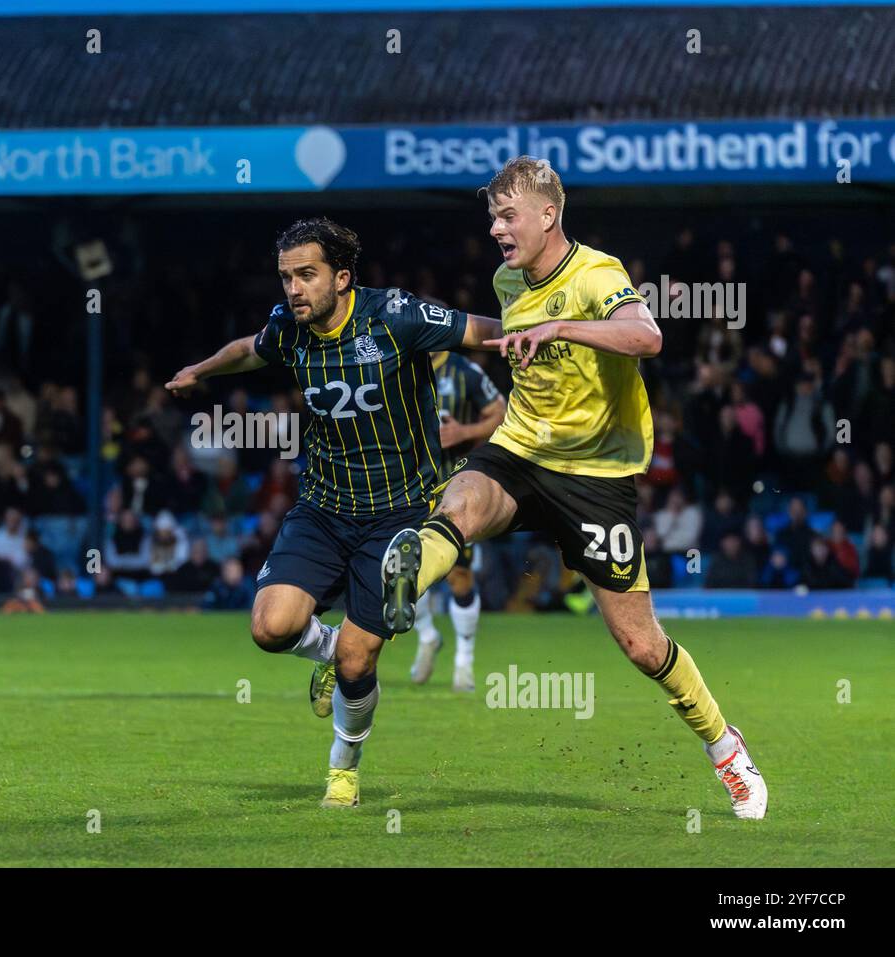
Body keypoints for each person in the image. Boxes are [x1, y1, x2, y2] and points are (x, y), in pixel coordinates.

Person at [379, 158, 767, 820]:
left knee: (642, 645)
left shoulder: (596, 272)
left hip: (597, 474)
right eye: (492, 217)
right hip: (524, 449)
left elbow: (648, 335)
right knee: (461, 503)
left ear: (547, 215)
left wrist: (558, 326)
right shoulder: (507, 278)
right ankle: (403, 584)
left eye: (507, 215)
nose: (496, 229)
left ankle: (726, 748)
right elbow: (506, 333)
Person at [166, 216, 493, 808]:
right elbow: (249, 350)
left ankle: (344, 765)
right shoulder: (288, 329)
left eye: (306, 275)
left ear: (342, 278)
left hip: (398, 514)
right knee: (270, 627)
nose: (292, 288)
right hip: (322, 508)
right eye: (286, 276)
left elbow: (481, 331)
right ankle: (330, 645)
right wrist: (201, 370)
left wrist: (546, 335)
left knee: (358, 661)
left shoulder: (394, 316)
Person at [408, 350, 506, 692]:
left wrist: (464, 431)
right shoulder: (401, 363)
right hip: (407, 487)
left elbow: (501, 412)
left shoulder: (465, 371)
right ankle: (428, 636)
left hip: (455, 488)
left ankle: (464, 660)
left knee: (459, 577)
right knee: (406, 570)